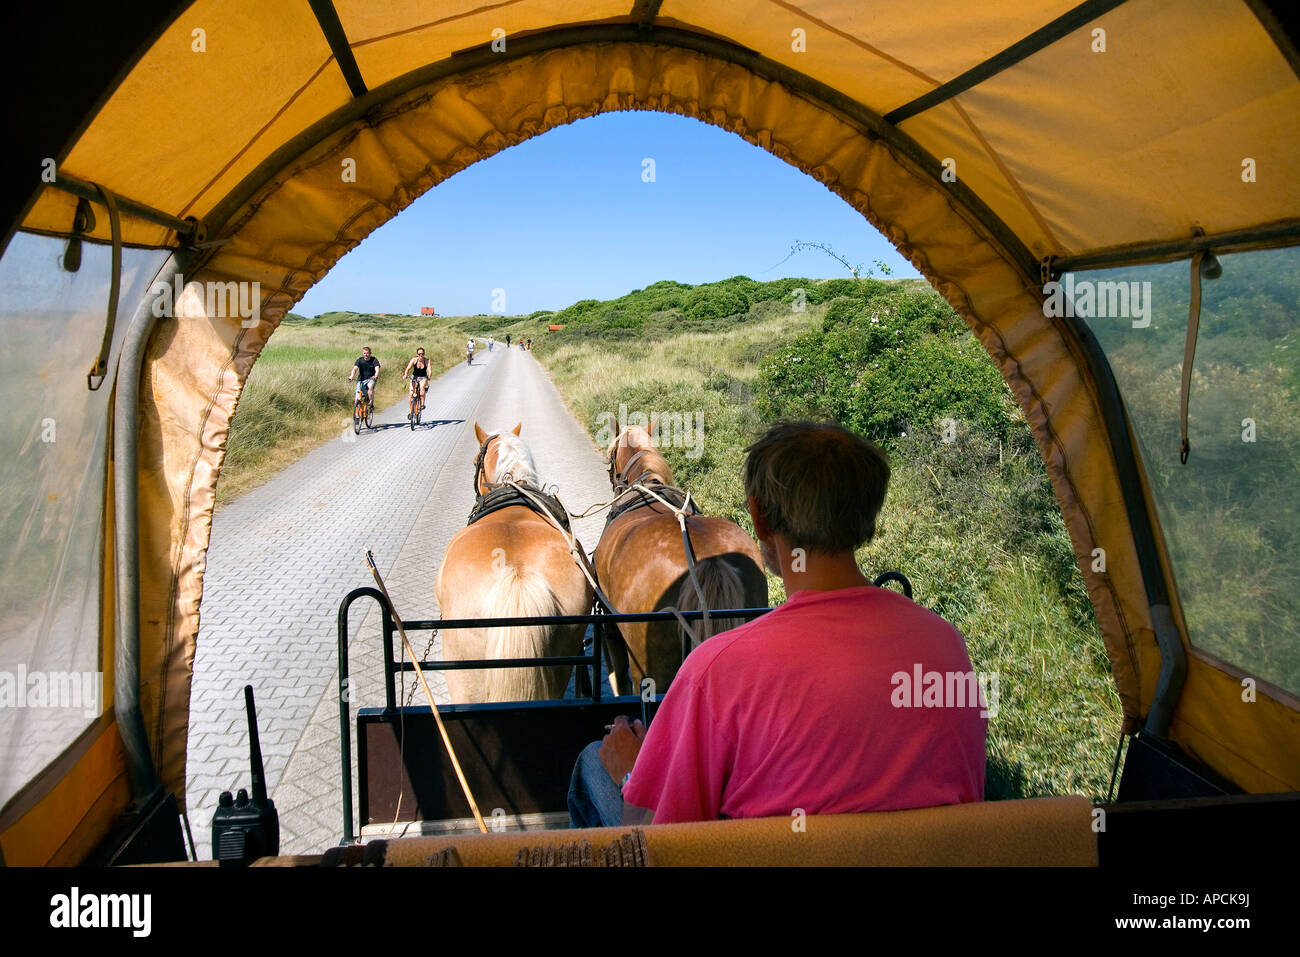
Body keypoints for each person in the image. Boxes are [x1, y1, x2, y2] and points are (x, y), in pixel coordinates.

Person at [569, 420, 987, 828]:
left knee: (593, 760)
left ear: (759, 517)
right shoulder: (945, 645)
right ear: (869, 518)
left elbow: (661, 840)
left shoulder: (716, 670)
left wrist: (628, 773)